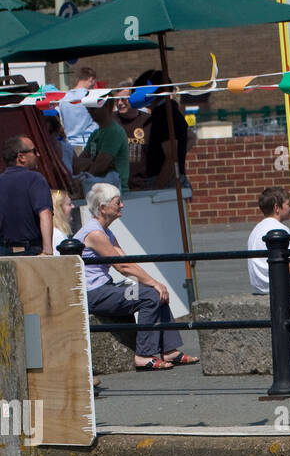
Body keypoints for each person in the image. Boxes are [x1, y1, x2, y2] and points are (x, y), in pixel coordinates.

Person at [75, 182, 197, 370]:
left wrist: (154, 284)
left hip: (105, 288)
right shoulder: (95, 234)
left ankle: (169, 350)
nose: (122, 205)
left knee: (153, 291)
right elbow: (122, 266)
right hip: (94, 293)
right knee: (150, 295)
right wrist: (154, 284)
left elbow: (127, 260)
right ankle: (143, 355)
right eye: (117, 202)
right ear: (103, 207)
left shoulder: (105, 231)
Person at [0, 135, 53, 256]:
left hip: (3, 254)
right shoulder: (35, 179)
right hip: (30, 253)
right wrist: (47, 251)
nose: (38, 155)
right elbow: (45, 214)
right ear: (21, 157)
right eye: (34, 151)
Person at [73, 95, 129, 193]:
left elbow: (100, 165)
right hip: (100, 192)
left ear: (107, 106)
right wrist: (93, 162)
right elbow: (78, 164)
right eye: (88, 108)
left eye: (93, 108)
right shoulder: (95, 134)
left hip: (115, 192)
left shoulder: (114, 132)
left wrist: (89, 166)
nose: (90, 111)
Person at [247, 186, 290, 294]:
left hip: (259, 287)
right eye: (288, 204)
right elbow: (289, 267)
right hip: (278, 284)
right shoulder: (281, 230)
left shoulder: (255, 230)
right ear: (277, 207)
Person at [114, 84, 152, 192]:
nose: (120, 103)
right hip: (115, 187)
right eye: (116, 100)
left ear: (134, 99)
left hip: (142, 186)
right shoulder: (110, 120)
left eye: (124, 99)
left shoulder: (148, 121)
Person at [58, 66, 98, 148]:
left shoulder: (64, 98)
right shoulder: (90, 97)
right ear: (91, 79)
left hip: (70, 143)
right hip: (89, 142)